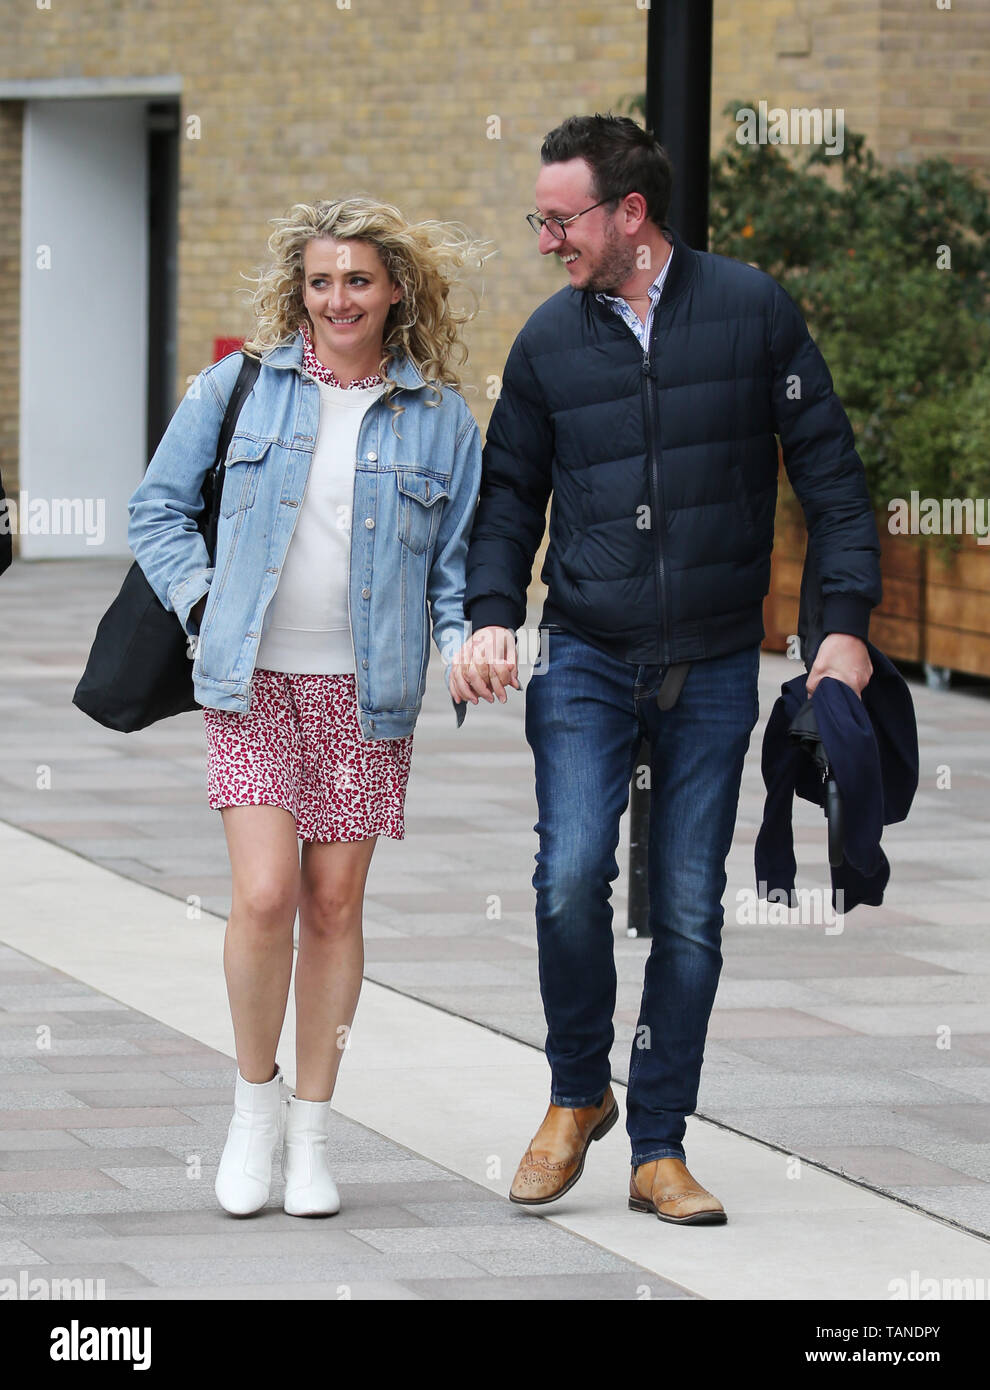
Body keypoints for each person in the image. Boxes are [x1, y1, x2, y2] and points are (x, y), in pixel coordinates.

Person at [451, 114, 879, 1225]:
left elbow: (831, 479)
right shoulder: (549, 342)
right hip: (587, 649)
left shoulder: (751, 312)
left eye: (561, 218)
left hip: (714, 660)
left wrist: (844, 626)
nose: (547, 238)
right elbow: (508, 498)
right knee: (566, 876)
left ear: (628, 214)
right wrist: (493, 616)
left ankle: (660, 1147)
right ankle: (575, 1089)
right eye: (540, 219)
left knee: (689, 908)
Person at [128, 198, 485, 1217]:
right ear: (301, 291)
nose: (340, 298)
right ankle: (252, 1107)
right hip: (251, 682)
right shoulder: (238, 386)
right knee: (267, 894)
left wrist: (466, 641)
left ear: (395, 291)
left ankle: (314, 1134)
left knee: (334, 906)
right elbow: (155, 508)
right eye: (323, 281)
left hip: (368, 695)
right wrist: (205, 600)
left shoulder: (441, 418)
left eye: (359, 280)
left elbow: (456, 570)